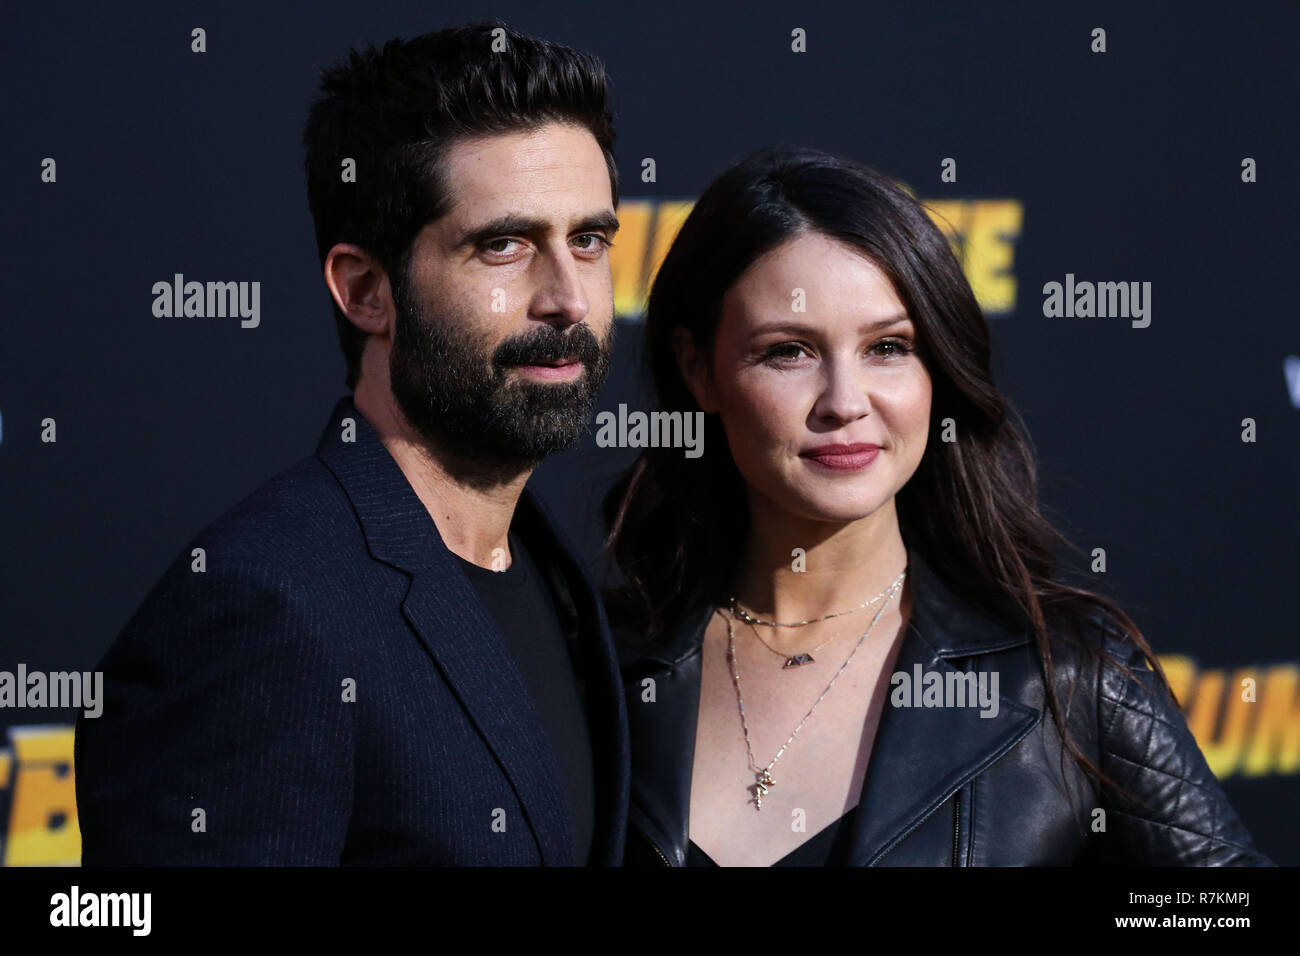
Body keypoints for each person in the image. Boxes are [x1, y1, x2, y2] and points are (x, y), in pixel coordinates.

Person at [603, 145, 1273, 867]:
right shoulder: (598, 664)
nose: (845, 402)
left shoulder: (1067, 676)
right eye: (788, 352)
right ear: (699, 369)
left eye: (888, 348)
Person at [75, 21, 628, 865]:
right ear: (367, 291)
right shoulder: (261, 610)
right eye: (504, 245)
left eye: (588, 240)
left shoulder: (559, 577)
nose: (568, 299)